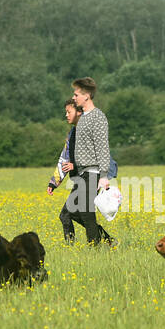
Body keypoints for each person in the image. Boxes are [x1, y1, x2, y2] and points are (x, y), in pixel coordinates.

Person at [50, 98, 113, 245]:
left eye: (69, 111)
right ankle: (99, 241)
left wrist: (76, 165)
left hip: (92, 176)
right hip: (81, 178)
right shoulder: (72, 134)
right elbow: (64, 157)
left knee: (82, 213)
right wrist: (54, 182)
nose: (66, 115)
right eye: (65, 112)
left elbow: (99, 153)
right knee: (68, 214)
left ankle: (94, 246)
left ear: (79, 112)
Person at [65, 77, 115, 247]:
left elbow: (102, 147)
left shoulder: (98, 117)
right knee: (71, 211)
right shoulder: (84, 118)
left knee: (86, 212)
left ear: (86, 95)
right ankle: (107, 241)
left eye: (76, 94)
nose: (74, 98)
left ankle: (95, 247)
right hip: (82, 173)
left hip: (93, 172)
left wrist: (103, 175)